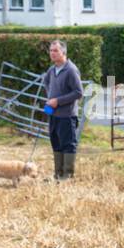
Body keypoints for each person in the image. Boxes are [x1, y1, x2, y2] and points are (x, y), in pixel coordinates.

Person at [43, 40, 83, 182]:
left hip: (67, 116)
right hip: (53, 114)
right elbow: (46, 82)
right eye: (51, 50)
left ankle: (67, 176)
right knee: (56, 143)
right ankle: (58, 174)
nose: (52, 53)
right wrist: (50, 98)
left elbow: (78, 92)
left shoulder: (71, 70)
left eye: (55, 50)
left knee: (68, 144)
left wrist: (58, 101)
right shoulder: (52, 70)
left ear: (63, 52)